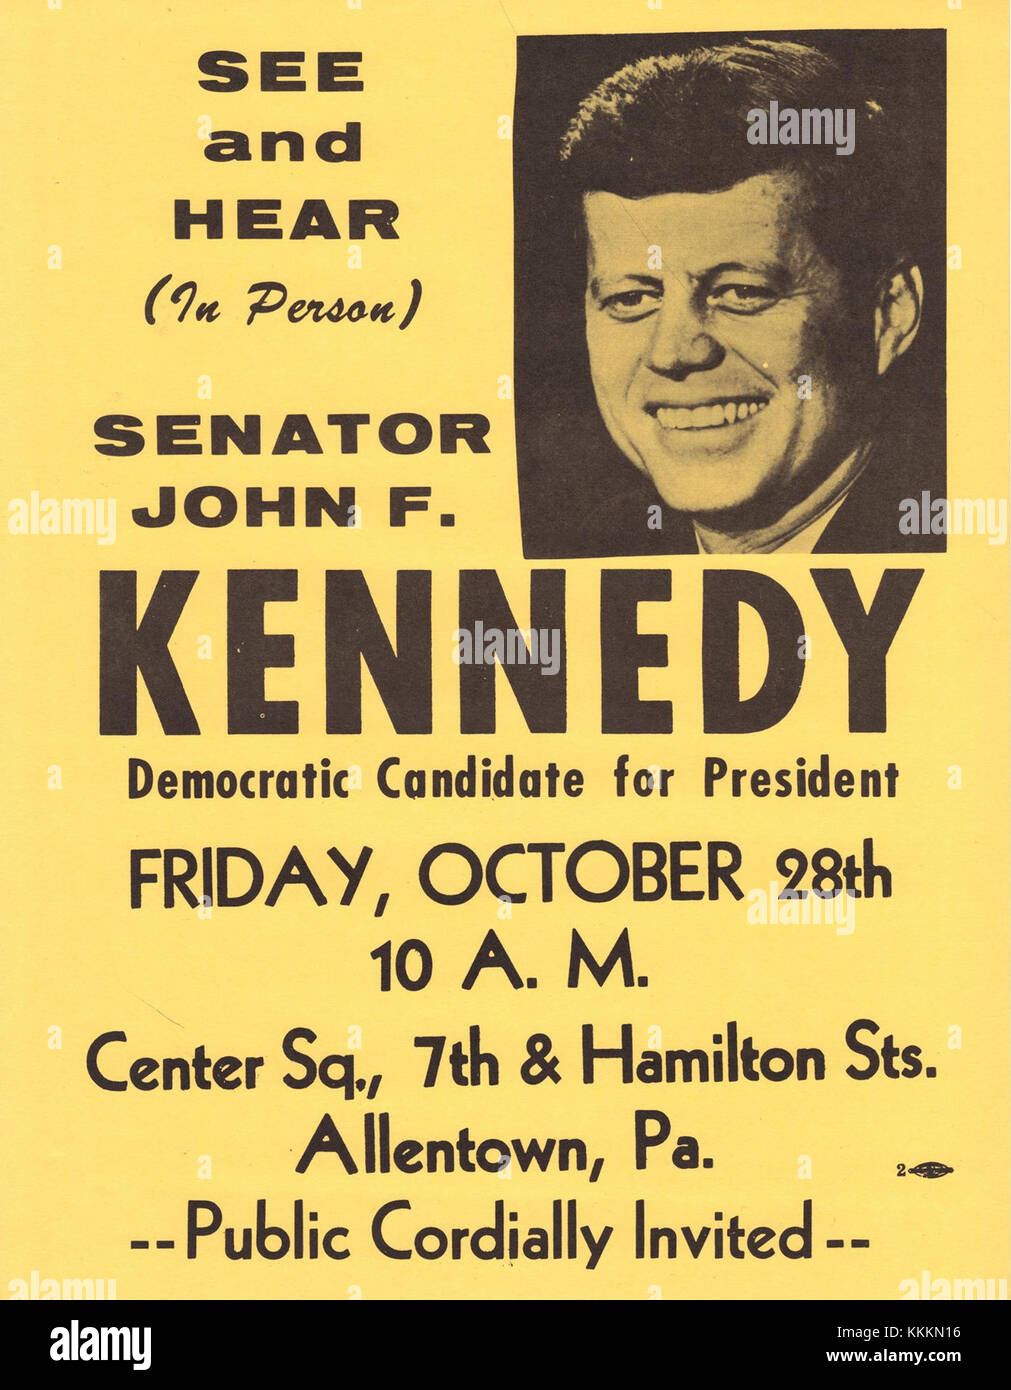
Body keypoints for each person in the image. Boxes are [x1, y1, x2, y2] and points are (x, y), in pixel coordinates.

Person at [520, 37, 944, 556]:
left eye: (740, 292)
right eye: (631, 299)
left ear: (889, 315)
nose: (673, 352)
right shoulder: (581, 554)